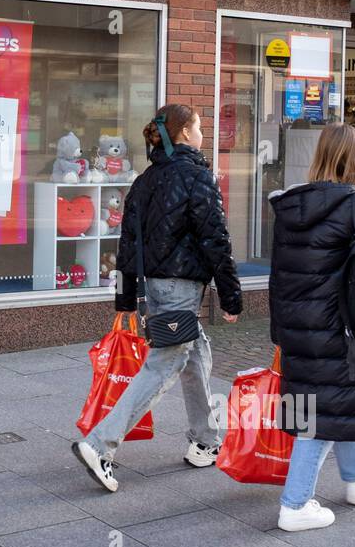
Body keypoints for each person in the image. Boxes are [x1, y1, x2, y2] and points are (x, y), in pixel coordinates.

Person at [73, 104, 243, 493]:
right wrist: (231, 297)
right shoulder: (197, 176)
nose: (202, 134)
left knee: (195, 352)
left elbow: (127, 245)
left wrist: (126, 300)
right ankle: (100, 445)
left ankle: (205, 440)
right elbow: (215, 239)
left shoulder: (145, 181)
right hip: (181, 287)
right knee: (164, 365)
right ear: (184, 133)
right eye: (199, 127)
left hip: (154, 287)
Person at [268, 123, 355, 531]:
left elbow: (279, 275)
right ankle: (295, 505)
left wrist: (280, 331)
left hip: (299, 326)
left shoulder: (292, 204)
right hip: (340, 327)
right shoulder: (354, 203)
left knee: (341, 402)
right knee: (322, 417)